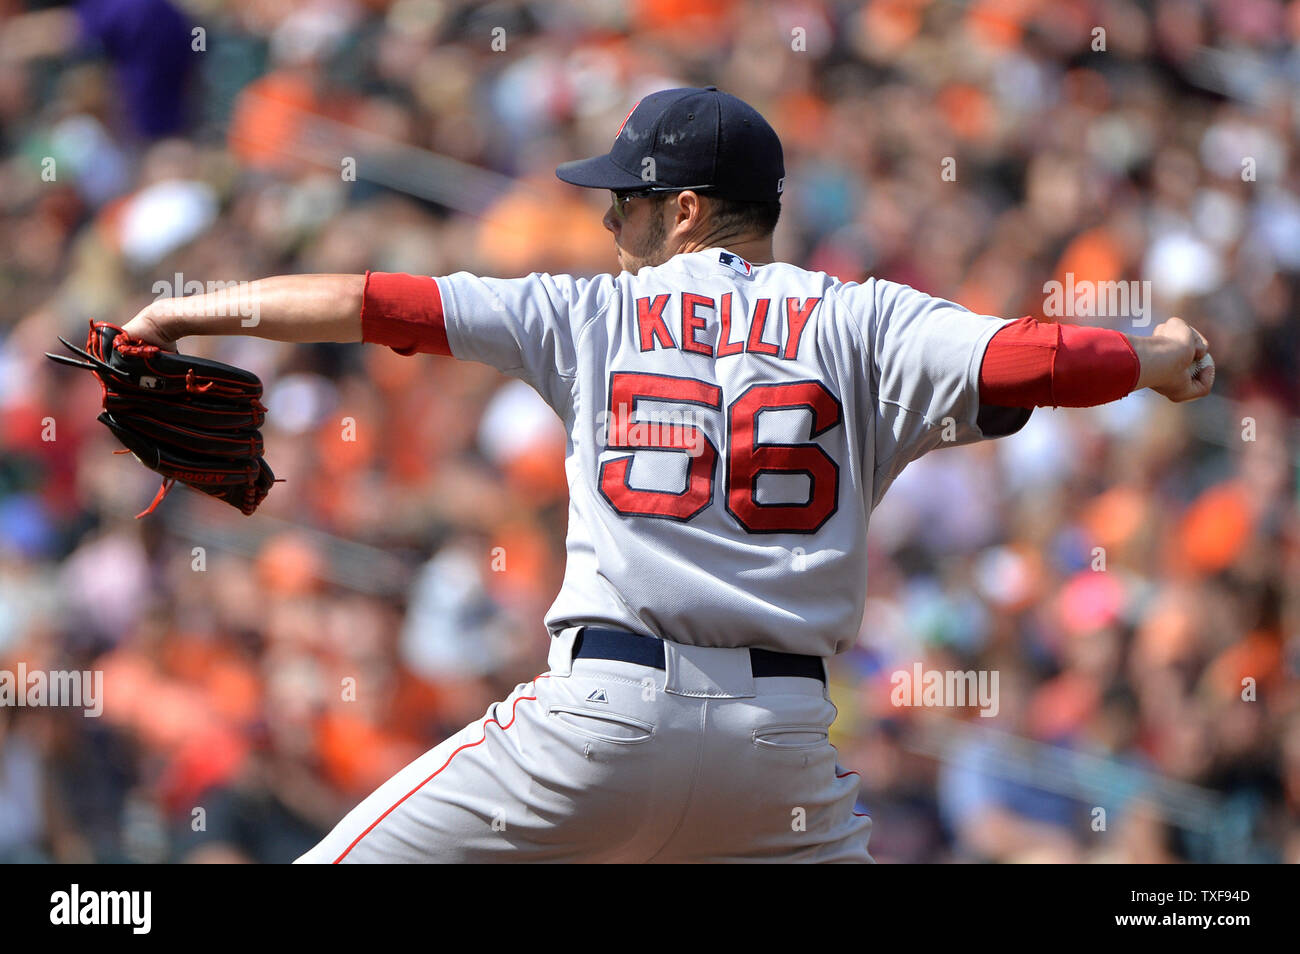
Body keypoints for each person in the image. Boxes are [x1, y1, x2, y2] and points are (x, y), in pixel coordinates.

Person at [121, 87, 1213, 863]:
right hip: (779, 755)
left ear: (684, 209)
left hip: (598, 723)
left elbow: (378, 300)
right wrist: (1159, 359)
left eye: (626, 201)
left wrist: (189, 306)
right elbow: (1036, 358)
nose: (607, 221)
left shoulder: (587, 310)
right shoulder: (866, 316)